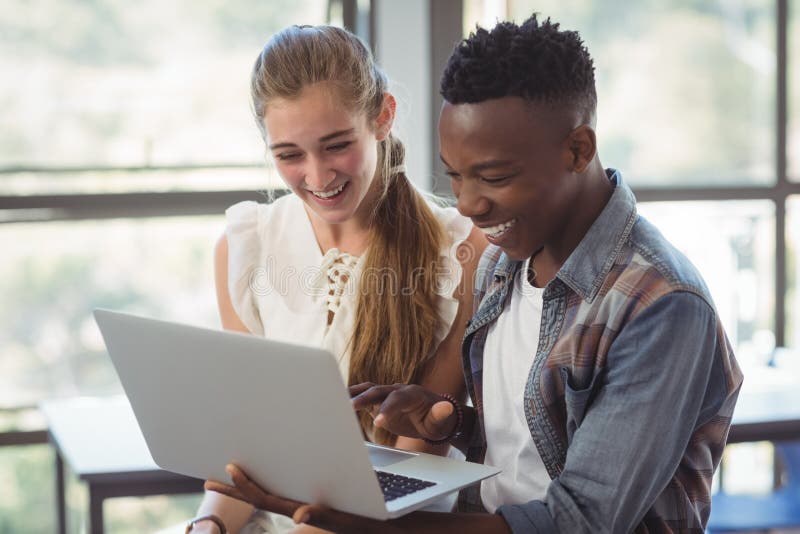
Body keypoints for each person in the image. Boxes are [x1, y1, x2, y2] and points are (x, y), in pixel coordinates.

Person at [206, 13, 745, 533]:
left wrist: (369, 526)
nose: (466, 206)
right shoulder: (503, 264)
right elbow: (523, 448)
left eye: (492, 177)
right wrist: (450, 424)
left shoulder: (661, 304)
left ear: (578, 149)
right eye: (456, 178)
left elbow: (581, 521)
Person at [185, 24, 486, 534]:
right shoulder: (244, 247)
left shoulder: (458, 251)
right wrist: (207, 525)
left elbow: (420, 449)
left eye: (336, 145)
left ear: (382, 117)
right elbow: (250, 447)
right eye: (289, 155)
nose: (318, 176)